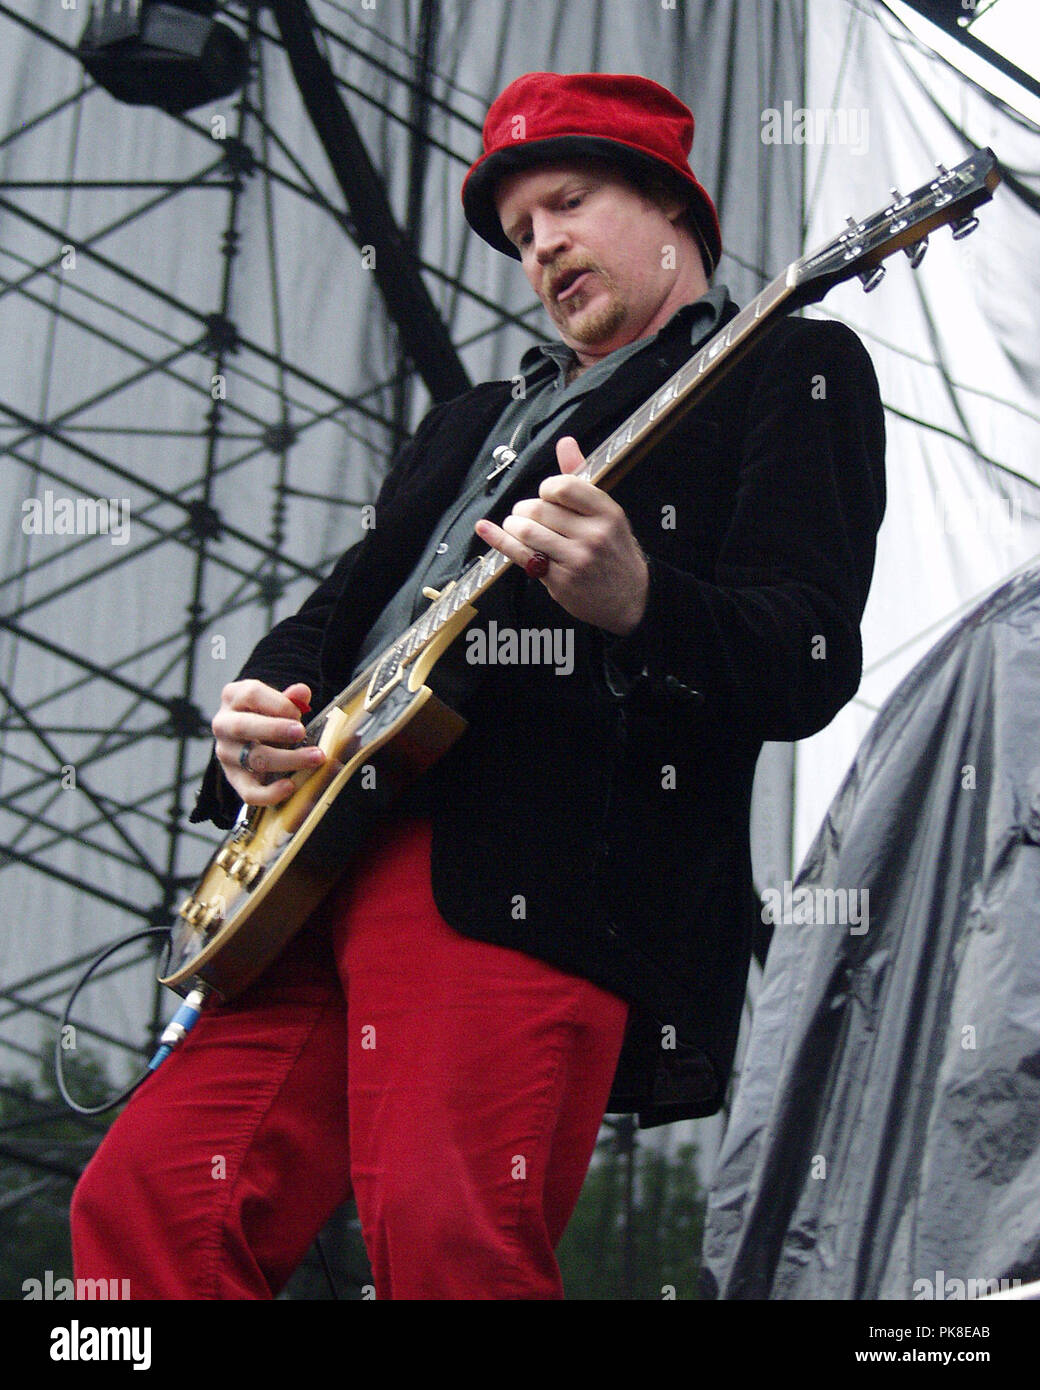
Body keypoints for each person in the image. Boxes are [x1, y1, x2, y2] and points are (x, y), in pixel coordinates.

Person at [70, 71, 886, 1300]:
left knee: (450, 1241)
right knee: (142, 1211)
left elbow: (806, 652)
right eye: (518, 234)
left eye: (566, 201)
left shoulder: (790, 367)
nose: (541, 244)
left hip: (533, 871)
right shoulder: (468, 423)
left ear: (676, 208)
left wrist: (636, 599)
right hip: (309, 866)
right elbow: (334, 613)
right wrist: (257, 711)